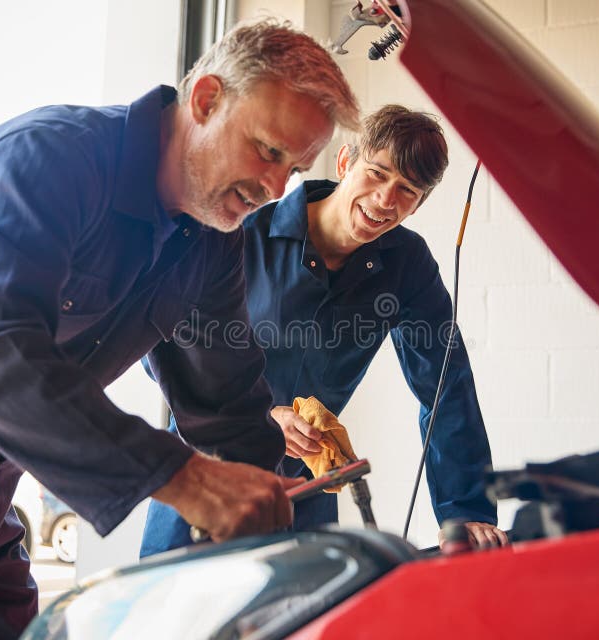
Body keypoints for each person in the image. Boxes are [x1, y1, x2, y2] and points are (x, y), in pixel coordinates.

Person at [0, 18, 358, 640]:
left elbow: (227, 404)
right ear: (207, 99)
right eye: (268, 151)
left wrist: (275, 536)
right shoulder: (46, 160)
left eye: (294, 168)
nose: (274, 187)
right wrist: (184, 478)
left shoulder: (210, 244)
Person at [140, 105, 507, 559]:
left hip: (306, 488)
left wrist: (468, 510)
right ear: (345, 161)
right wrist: (261, 415)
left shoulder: (407, 266)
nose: (385, 200)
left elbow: (446, 385)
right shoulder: (244, 234)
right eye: (377, 174)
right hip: (205, 472)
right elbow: (159, 344)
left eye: (408, 191)